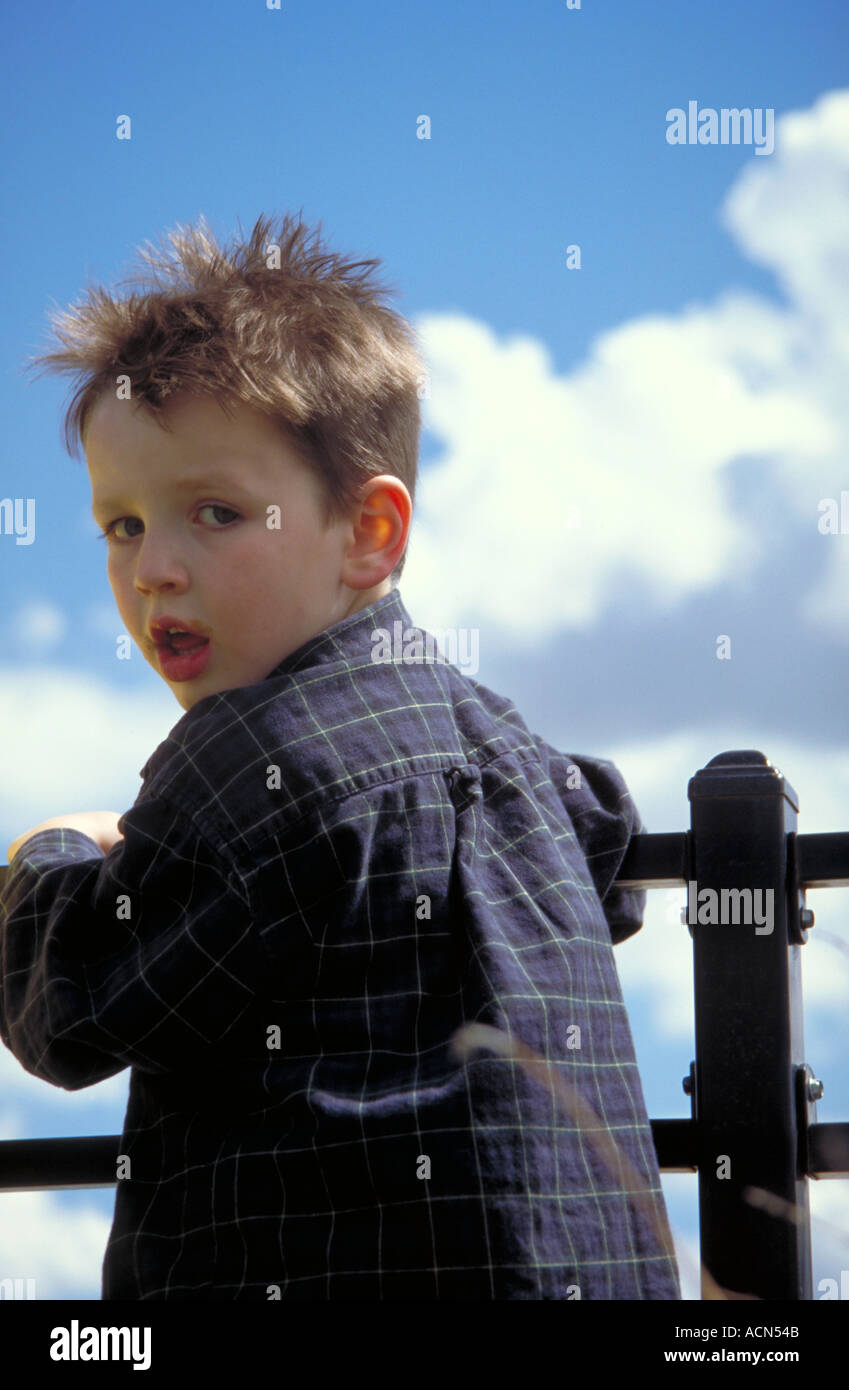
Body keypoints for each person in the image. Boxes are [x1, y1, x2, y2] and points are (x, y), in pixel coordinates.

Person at [1, 212, 680, 1300]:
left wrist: (51, 854)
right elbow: (605, 829)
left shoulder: (249, 755)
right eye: (120, 526)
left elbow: (68, 1009)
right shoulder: (503, 744)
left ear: (369, 532)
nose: (155, 570)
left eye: (213, 513)